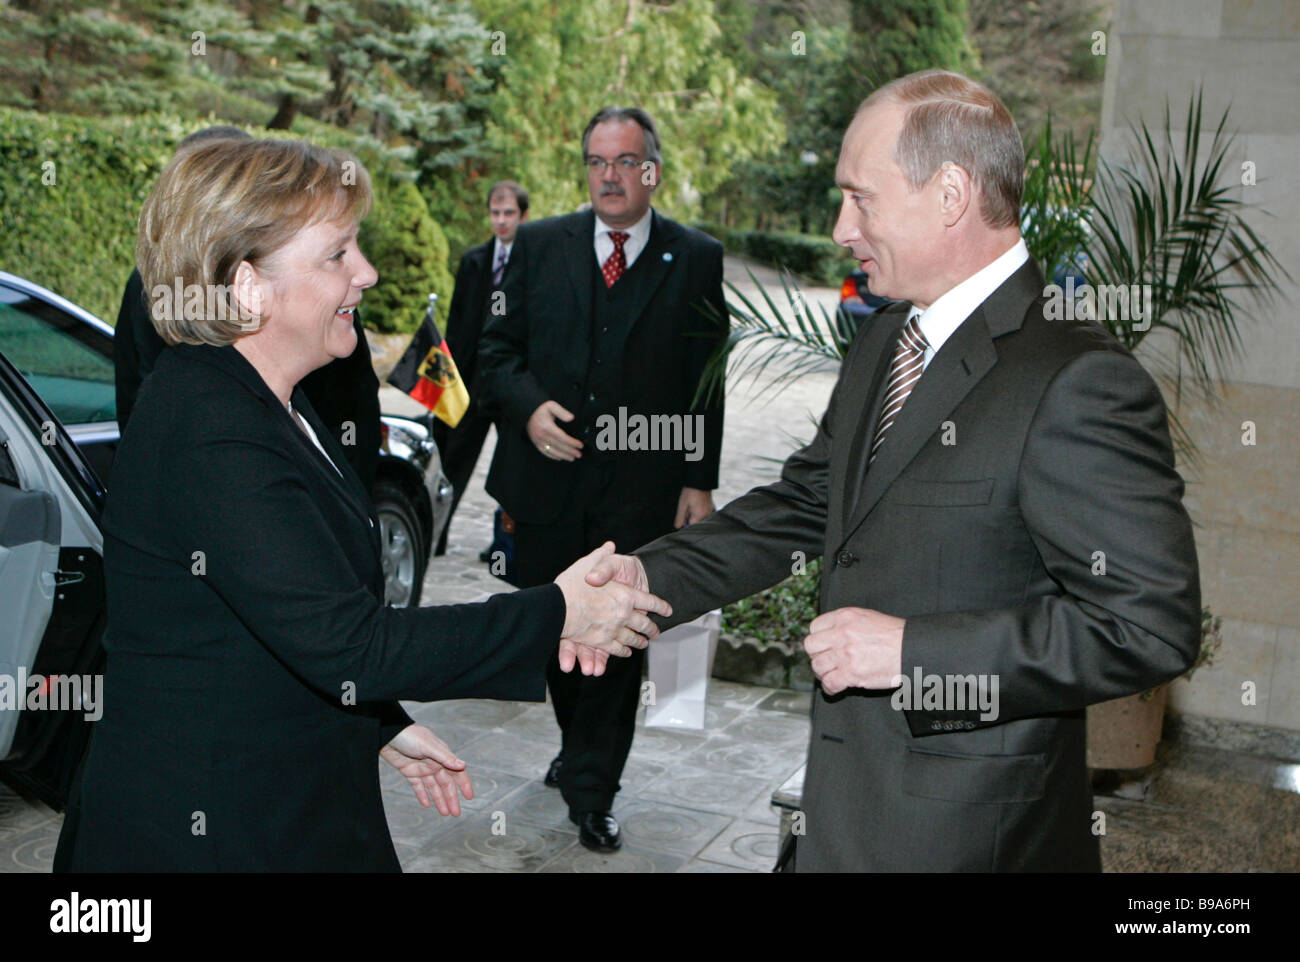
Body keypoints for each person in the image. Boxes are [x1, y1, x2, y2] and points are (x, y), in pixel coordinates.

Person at [586, 70, 1202, 871]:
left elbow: (1149, 625)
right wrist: (643, 576)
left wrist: (915, 655)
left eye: (861, 199)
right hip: (841, 815)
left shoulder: (1077, 378)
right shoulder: (884, 340)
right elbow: (808, 504)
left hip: (969, 839)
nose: (842, 227)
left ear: (949, 194)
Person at [53, 137, 670, 872]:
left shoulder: (272, 401)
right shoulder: (208, 426)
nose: (367, 273)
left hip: (287, 799)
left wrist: (381, 726)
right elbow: (352, 641)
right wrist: (559, 611)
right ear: (248, 287)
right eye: (337, 254)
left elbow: (284, 620)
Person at [479, 106, 727, 852]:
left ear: (652, 170)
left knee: (619, 643)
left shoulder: (696, 256)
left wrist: (698, 479)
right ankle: (575, 744)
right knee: (553, 628)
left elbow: (704, 381)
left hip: (641, 490)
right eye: (596, 161)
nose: (610, 176)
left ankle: (593, 790)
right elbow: (495, 352)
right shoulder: (538, 244)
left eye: (625, 162)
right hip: (545, 486)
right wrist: (527, 412)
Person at [114, 126, 383, 491]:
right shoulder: (216, 438)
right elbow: (135, 388)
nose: (366, 275)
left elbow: (356, 403)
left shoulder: (322, 299)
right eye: (336, 254)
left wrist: (352, 494)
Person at [431, 179, 529, 557]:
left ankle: (504, 545)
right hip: (469, 384)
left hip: (512, 385)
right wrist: (447, 382)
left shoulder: (534, 259)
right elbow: (457, 325)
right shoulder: (474, 261)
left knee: (513, 471)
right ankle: (435, 537)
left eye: (509, 213)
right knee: (452, 461)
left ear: (524, 215)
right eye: (495, 213)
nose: (501, 221)